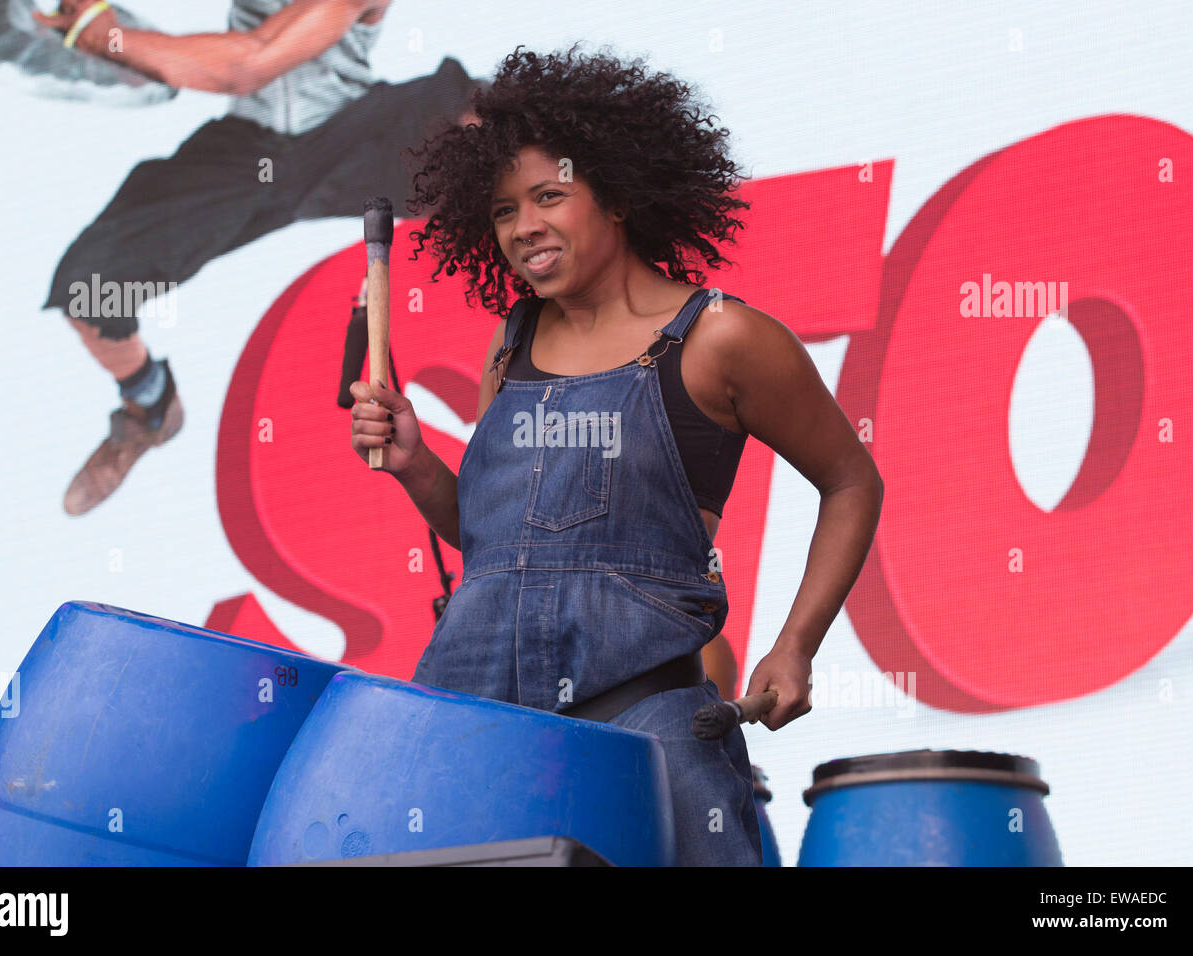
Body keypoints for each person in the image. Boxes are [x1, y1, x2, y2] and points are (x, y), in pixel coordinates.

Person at [347, 44, 883, 866]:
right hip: (475, 734)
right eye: (501, 211)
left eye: (549, 196)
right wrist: (419, 462)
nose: (524, 227)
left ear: (619, 196)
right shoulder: (511, 343)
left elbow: (851, 479)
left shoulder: (720, 340)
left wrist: (795, 645)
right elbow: (494, 543)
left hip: (645, 734)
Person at [32, 0, 484, 515]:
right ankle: (150, 402)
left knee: (494, 120)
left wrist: (108, 39)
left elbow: (247, 64)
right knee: (88, 287)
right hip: (249, 152)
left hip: (352, 132)